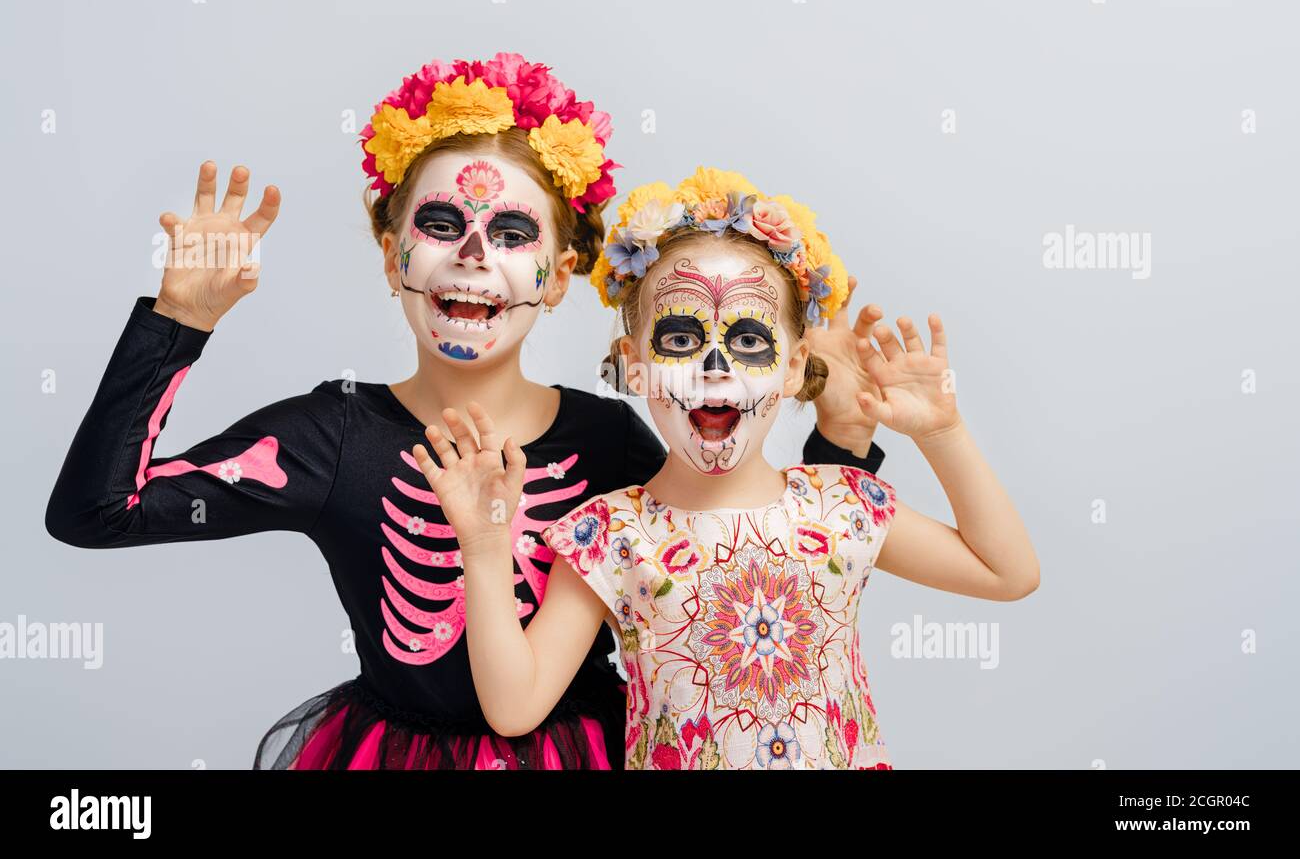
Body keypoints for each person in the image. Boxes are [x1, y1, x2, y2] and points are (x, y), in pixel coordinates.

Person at [44, 60, 888, 769]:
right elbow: (94, 511)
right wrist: (178, 321)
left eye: (512, 232)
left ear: (558, 277)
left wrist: (841, 438)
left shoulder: (612, 442)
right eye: (442, 224)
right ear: (392, 256)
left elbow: (767, 547)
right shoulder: (332, 436)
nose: (474, 255)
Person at [413, 168, 1039, 769]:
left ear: (794, 366)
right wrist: (485, 543)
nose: (715, 366)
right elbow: (514, 708)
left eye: (748, 341)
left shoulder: (842, 506)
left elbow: (1007, 572)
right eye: (680, 341)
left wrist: (942, 432)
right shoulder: (608, 535)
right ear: (634, 365)